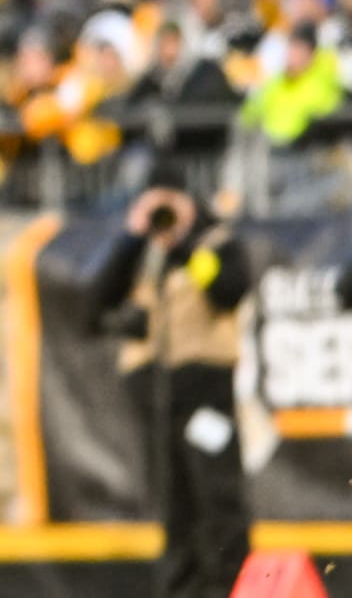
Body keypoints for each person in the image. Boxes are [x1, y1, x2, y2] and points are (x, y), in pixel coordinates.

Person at [95, 168, 251, 598]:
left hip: (207, 388)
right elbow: (98, 298)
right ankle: (181, 588)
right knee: (172, 497)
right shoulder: (144, 250)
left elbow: (229, 290)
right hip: (159, 390)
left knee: (217, 492)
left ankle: (226, 585)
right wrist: (133, 236)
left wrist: (184, 241)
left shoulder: (214, 242)